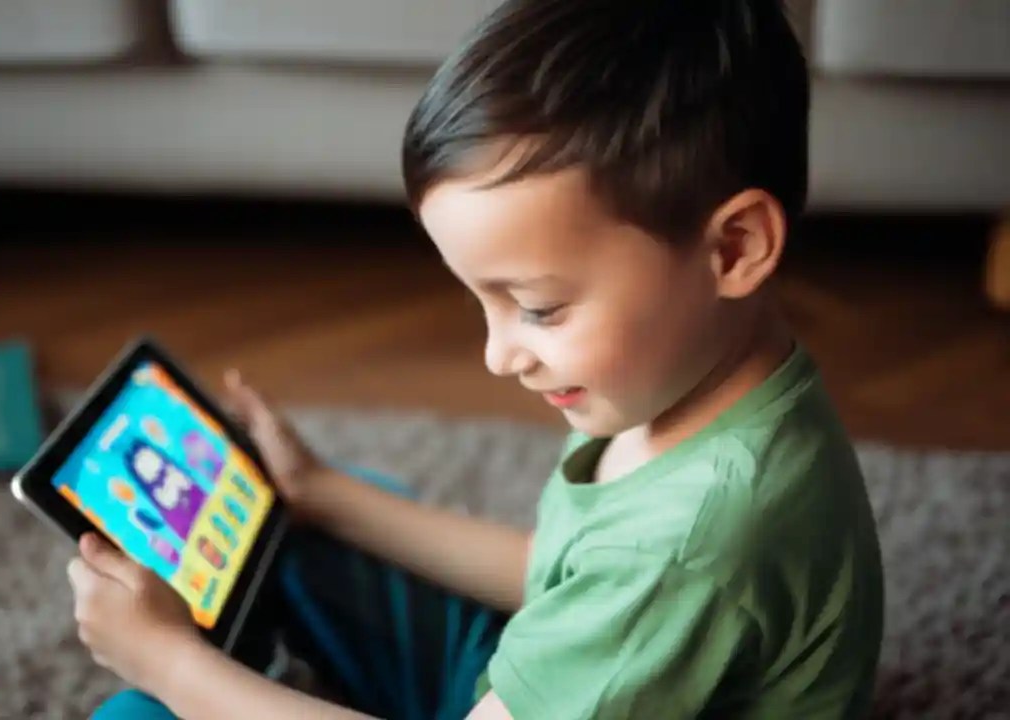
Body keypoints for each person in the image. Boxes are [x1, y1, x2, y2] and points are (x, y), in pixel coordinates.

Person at [67, 0, 885, 717]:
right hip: (553, 665)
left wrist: (170, 665)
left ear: (735, 247)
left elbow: (628, 574)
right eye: (482, 303)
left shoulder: (689, 545)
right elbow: (561, 573)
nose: (498, 355)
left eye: (536, 308)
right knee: (312, 528)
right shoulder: (691, 380)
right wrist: (326, 493)